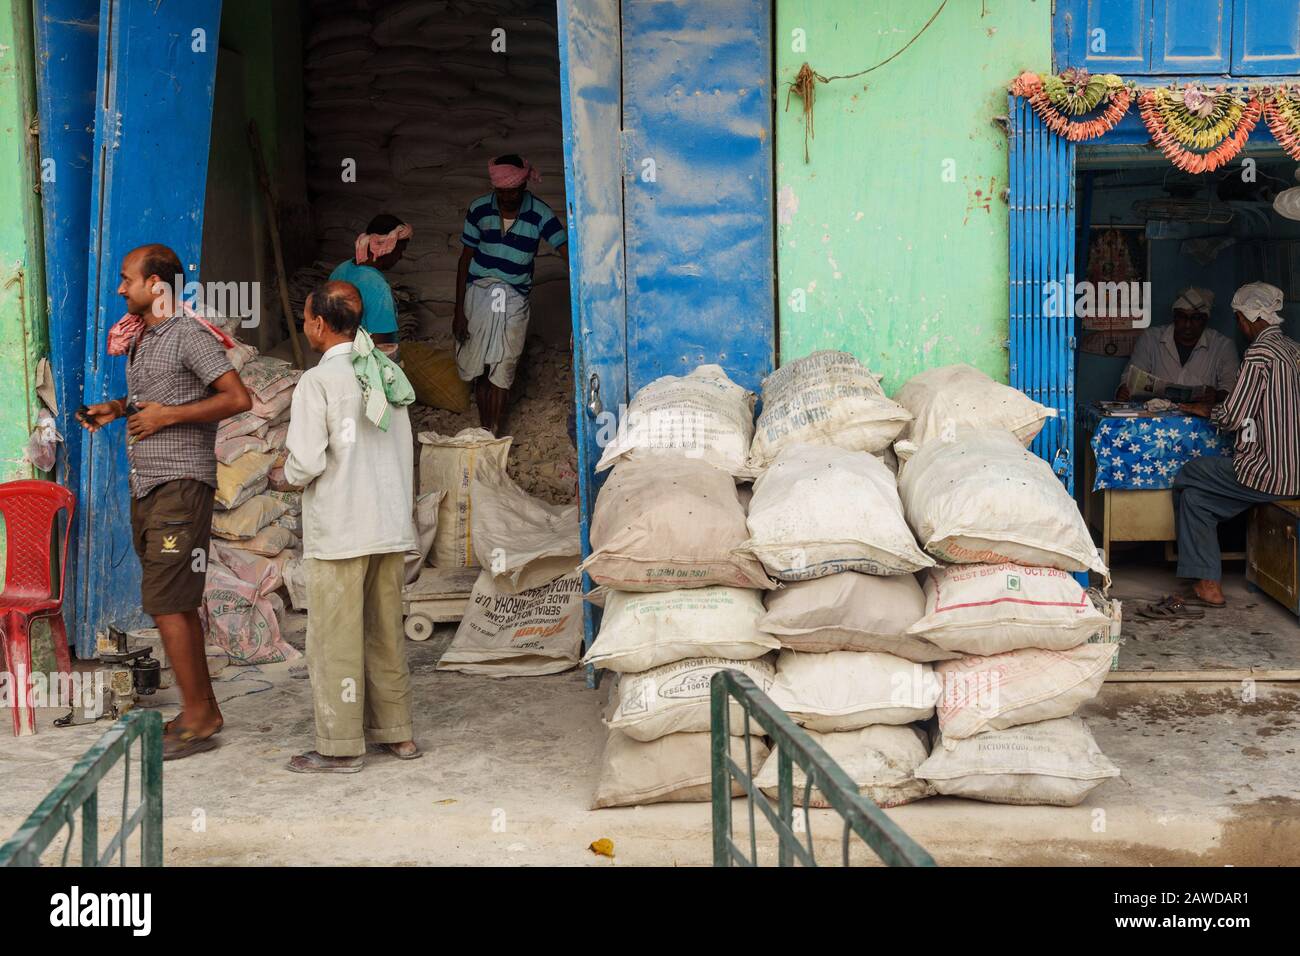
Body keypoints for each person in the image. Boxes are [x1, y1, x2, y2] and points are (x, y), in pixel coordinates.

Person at [79, 243, 252, 760]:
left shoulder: (188, 336)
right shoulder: (144, 339)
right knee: (170, 601)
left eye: (126, 278)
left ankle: (199, 718)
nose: (119, 288)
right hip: (149, 485)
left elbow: (237, 398)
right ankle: (203, 709)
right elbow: (159, 396)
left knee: (167, 602)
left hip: (180, 484)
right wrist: (118, 408)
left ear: (156, 285)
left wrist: (166, 419)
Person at [284, 280, 419, 773]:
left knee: (334, 641)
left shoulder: (317, 383)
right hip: (386, 526)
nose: (304, 325)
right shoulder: (385, 372)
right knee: (384, 632)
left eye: (305, 318)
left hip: (342, 530)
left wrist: (286, 476)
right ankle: (397, 734)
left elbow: (305, 462)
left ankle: (340, 746)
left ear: (319, 325)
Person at [1157, 282, 1300, 615]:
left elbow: (1233, 417)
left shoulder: (1259, 354)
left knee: (1188, 475)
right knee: (1195, 500)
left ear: (1246, 319)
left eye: (1238, 318)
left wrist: (1205, 410)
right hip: (1295, 470)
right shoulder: (1293, 349)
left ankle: (1193, 567)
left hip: (1269, 473)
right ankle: (1208, 584)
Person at [454, 154, 568, 435]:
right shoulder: (479, 209)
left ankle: (495, 430)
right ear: (495, 188)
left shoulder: (539, 213)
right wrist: (459, 312)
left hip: (514, 297)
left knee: (504, 367)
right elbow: (464, 259)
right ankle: (485, 431)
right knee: (480, 365)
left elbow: (565, 249)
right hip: (479, 293)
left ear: (524, 186)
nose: (507, 198)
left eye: (513, 191)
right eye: (501, 192)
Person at [1116, 286, 1239, 402]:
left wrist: (1216, 395)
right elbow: (1131, 378)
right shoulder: (1150, 338)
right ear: (1174, 317)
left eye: (1195, 318)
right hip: (1156, 419)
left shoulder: (1223, 346)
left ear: (1205, 320)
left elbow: (1232, 390)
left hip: (1201, 421)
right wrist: (1124, 390)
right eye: (1182, 317)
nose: (1187, 324)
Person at [328, 213, 411, 358]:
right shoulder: (378, 287)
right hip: (363, 367)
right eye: (400, 251)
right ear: (387, 247)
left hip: (336, 358)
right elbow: (384, 346)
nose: (401, 257)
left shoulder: (340, 269)